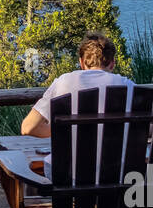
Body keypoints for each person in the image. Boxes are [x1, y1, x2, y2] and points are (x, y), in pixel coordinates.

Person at [20, 33, 135, 178]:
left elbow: (28, 127)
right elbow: (150, 125)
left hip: (67, 175)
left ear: (81, 62)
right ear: (112, 63)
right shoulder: (127, 86)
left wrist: (61, 130)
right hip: (116, 175)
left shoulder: (64, 82)